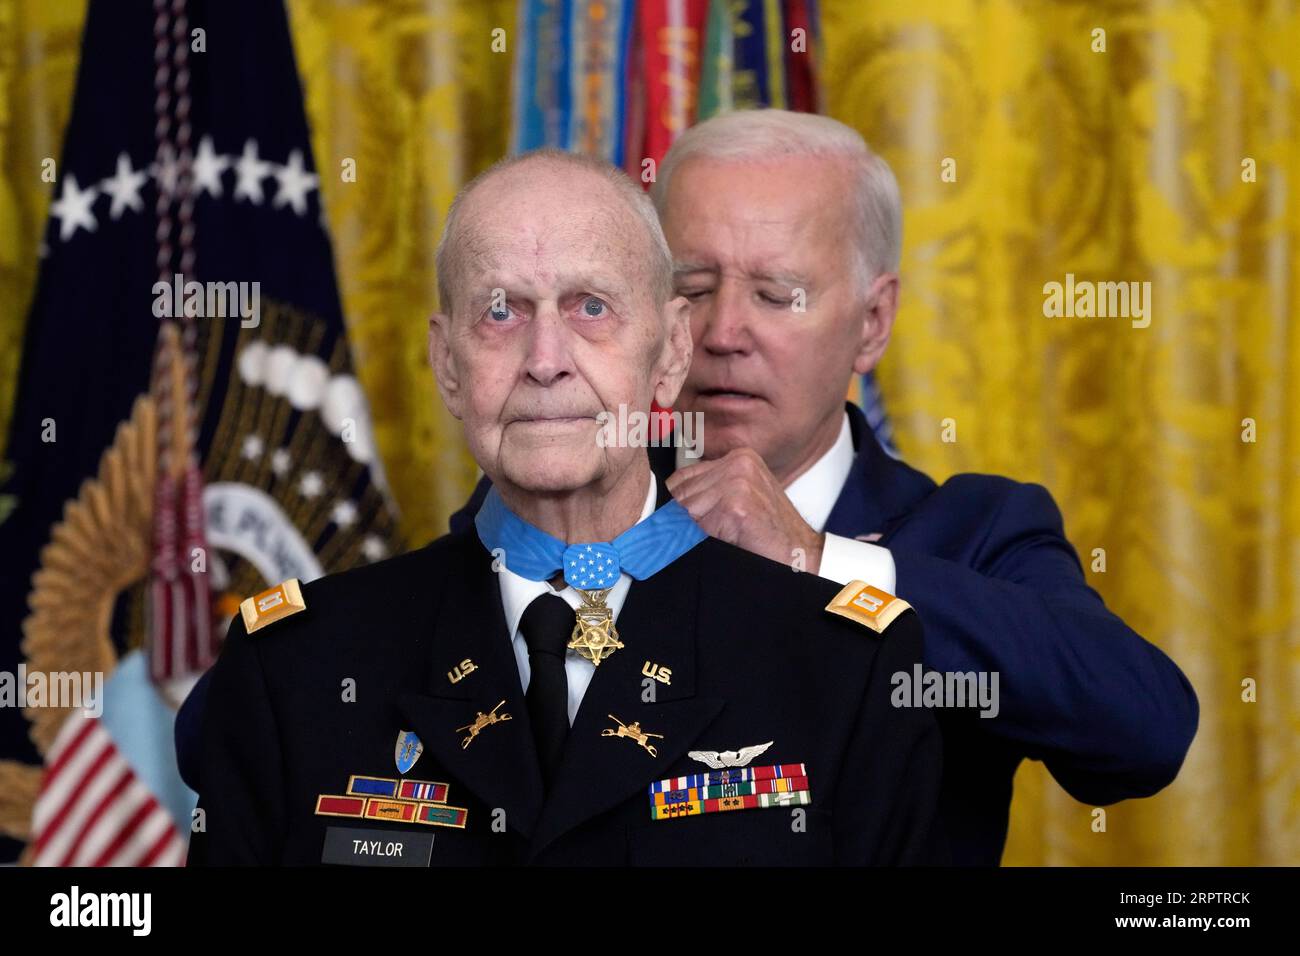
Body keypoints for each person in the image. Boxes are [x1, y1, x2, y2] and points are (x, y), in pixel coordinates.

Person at [444, 111, 1199, 865]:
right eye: (694, 287)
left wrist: (816, 559)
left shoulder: (971, 531)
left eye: (777, 295)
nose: (723, 332)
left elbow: (1145, 731)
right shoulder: (554, 497)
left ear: (874, 321)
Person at [186, 149, 943, 866]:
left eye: (591, 307)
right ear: (448, 365)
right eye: (500, 312)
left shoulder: (845, 665)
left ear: (673, 350)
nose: (545, 361)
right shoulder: (294, 664)